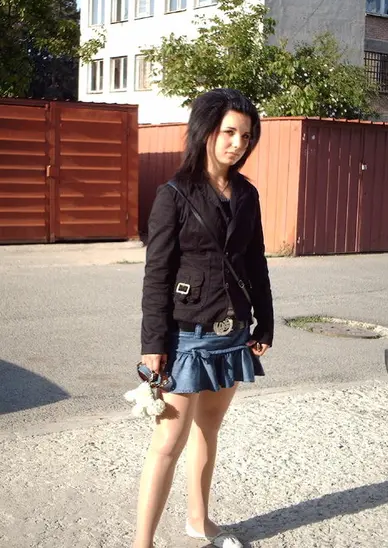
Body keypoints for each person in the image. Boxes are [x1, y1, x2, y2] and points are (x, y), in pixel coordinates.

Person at [134, 88, 274, 548]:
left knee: (208, 432)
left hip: (232, 335)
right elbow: (157, 275)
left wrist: (265, 323)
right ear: (206, 131)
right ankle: (142, 544)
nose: (237, 143)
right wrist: (153, 345)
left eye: (246, 136)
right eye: (229, 132)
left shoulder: (247, 194)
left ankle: (199, 521)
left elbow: (255, 262)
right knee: (167, 444)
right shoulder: (173, 194)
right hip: (185, 338)